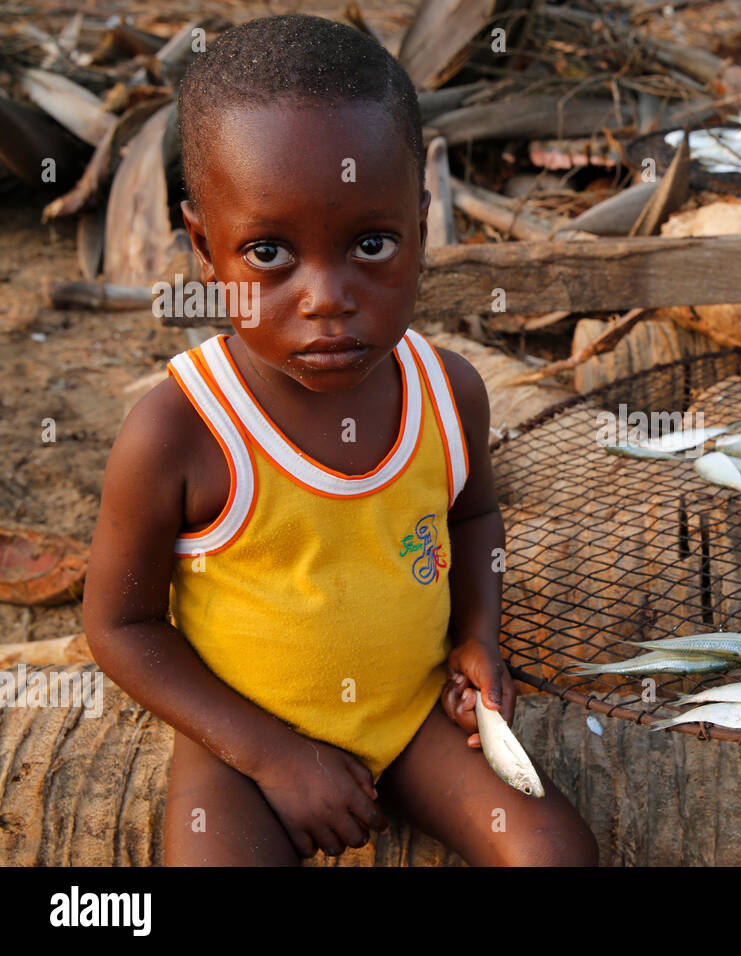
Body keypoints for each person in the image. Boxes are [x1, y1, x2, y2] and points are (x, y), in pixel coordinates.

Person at [83, 13, 597, 867]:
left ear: (421, 226)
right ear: (204, 249)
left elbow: (471, 523)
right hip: (243, 740)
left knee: (554, 856)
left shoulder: (448, 393)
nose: (327, 297)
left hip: (411, 713)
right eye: (270, 252)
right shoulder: (181, 431)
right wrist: (274, 757)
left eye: (370, 243)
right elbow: (122, 627)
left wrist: (476, 633)